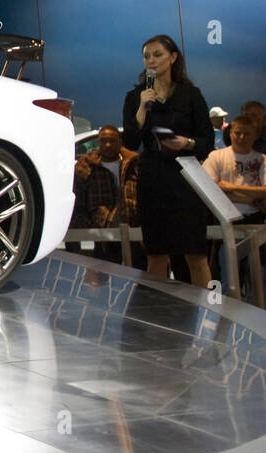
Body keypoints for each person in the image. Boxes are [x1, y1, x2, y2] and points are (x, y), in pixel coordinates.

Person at [121, 34, 215, 288]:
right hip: (152, 179)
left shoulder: (191, 95)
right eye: (146, 56)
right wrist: (142, 108)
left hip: (185, 177)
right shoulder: (136, 97)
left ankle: (206, 318)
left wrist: (187, 143)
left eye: (157, 54)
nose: (151, 60)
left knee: (196, 253)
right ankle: (159, 321)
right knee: (156, 253)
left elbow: (207, 140)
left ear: (173, 57)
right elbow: (129, 142)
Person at [71, 124, 143, 266]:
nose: (108, 145)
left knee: (138, 274)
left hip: (132, 226)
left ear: (120, 142)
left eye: (112, 140)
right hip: (102, 231)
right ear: (99, 143)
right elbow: (78, 199)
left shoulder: (134, 164)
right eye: (104, 141)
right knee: (105, 275)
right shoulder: (86, 167)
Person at [203, 115, 266, 224]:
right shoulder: (216, 156)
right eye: (237, 133)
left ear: (255, 135)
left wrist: (231, 187)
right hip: (223, 218)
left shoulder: (262, 159)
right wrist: (252, 199)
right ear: (230, 133)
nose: (241, 137)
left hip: (254, 218)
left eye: (247, 134)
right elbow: (210, 191)